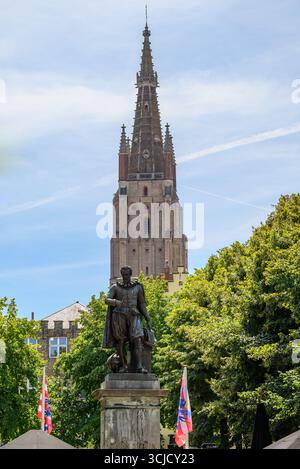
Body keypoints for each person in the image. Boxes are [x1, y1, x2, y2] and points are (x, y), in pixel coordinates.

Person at [103, 266, 151, 373]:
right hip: (119, 314)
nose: (125, 276)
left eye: (127, 274)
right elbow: (107, 299)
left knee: (138, 339)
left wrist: (147, 317)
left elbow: (142, 303)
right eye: (123, 274)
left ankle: (139, 366)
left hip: (134, 314)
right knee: (121, 341)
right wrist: (116, 302)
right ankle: (123, 366)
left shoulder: (138, 287)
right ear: (121, 274)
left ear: (130, 274)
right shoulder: (115, 287)